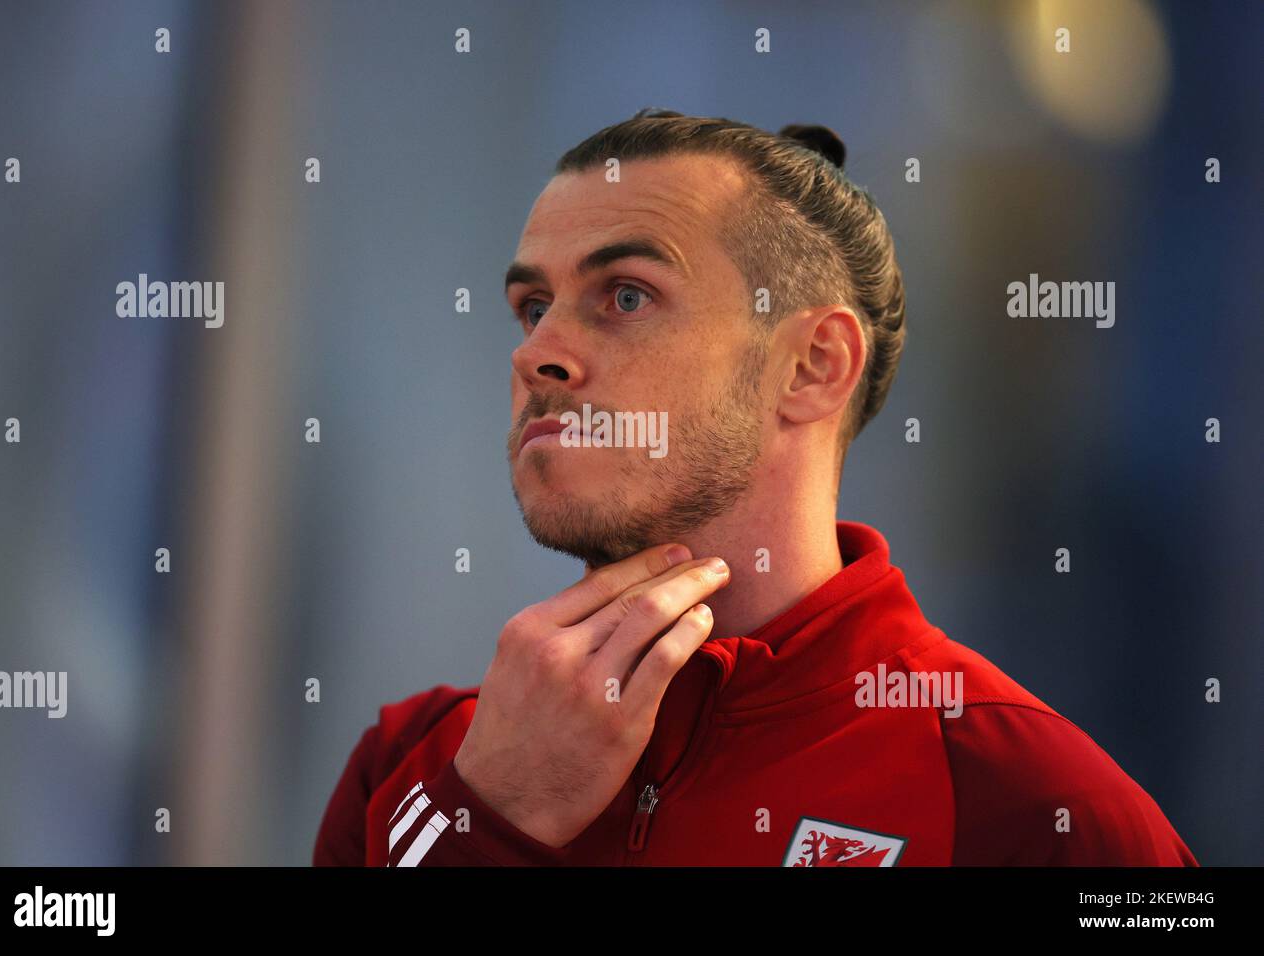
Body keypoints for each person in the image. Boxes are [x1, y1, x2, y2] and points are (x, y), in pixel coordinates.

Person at [313, 110, 1196, 866]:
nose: (535, 351)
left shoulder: (1032, 801)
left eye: (625, 296)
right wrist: (488, 817)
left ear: (813, 366)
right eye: (533, 305)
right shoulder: (419, 758)